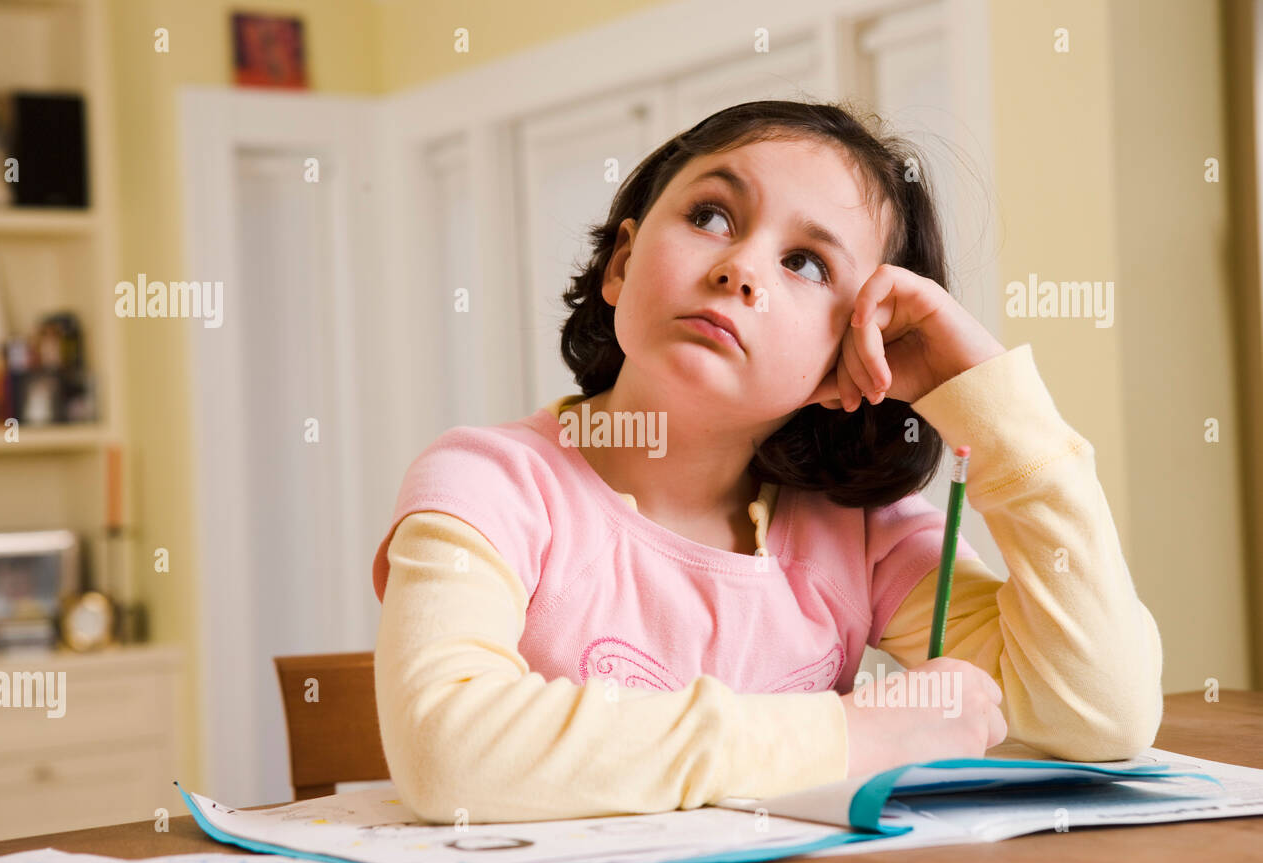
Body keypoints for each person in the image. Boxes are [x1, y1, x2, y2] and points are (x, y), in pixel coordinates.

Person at [370, 100, 1163, 824]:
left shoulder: (862, 534)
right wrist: (847, 734)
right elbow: (446, 752)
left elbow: (1097, 710)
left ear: (853, 357)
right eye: (712, 215)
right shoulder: (488, 484)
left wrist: (990, 403)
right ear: (621, 263)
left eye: (808, 265)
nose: (741, 269)